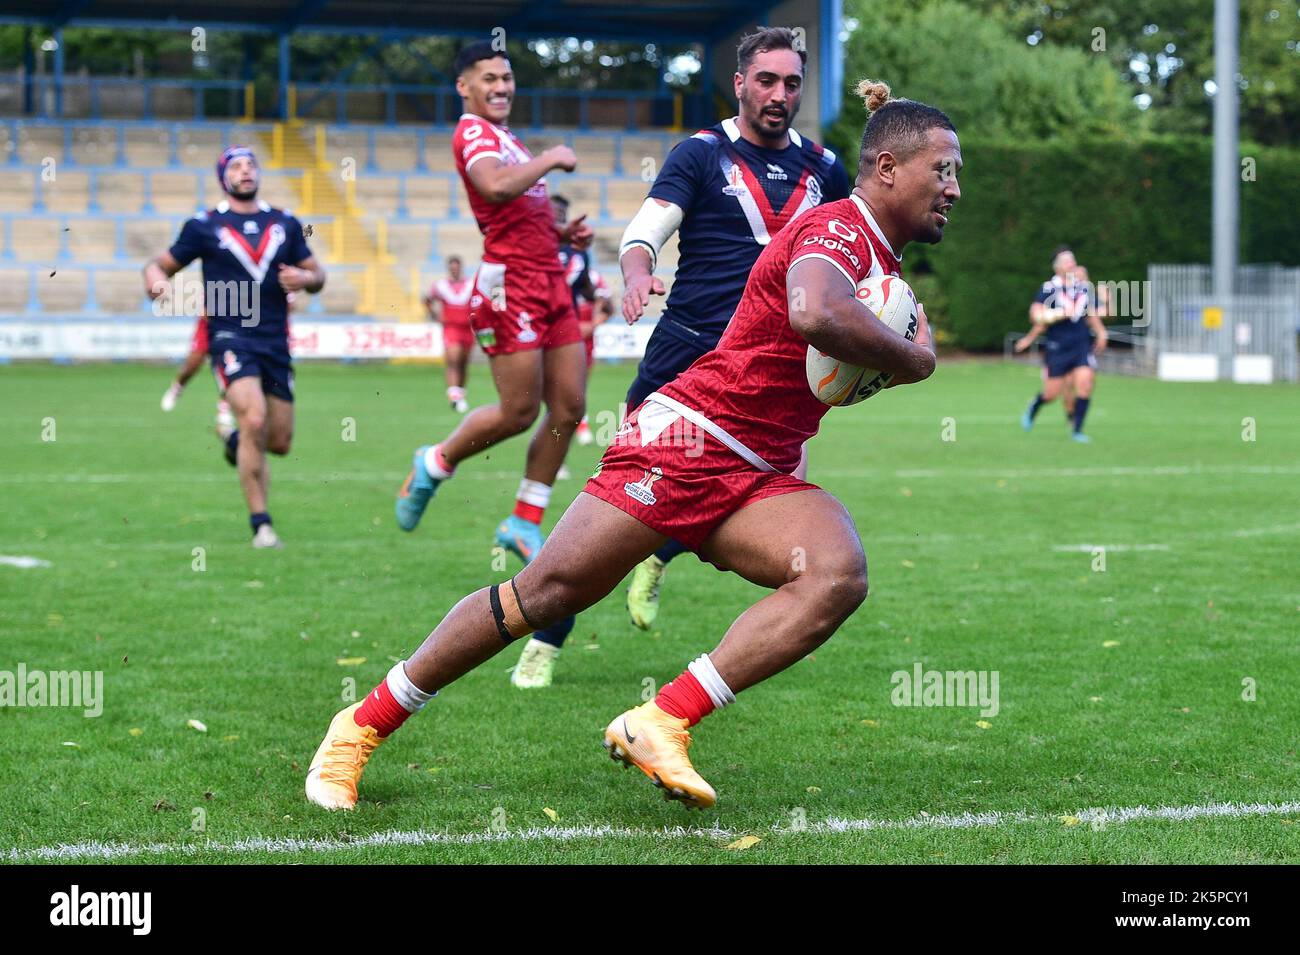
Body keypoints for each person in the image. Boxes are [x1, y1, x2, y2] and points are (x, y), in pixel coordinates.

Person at [305, 78, 958, 812]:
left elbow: (827, 366)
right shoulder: (839, 229)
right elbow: (812, 310)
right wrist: (917, 360)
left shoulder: (881, 264)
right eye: (943, 170)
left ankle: (662, 718)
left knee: (836, 572)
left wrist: (891, 364)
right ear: (888, 168)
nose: (954, 189)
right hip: (687, 439)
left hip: (758, 468)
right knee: (545, 593)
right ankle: (359, 726)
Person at [618, 26, 850, 633]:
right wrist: (637, 275)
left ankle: (664, 553)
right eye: (767, 80)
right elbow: (642, 234)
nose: (779, 93)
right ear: (741, 83)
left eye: (792, 83)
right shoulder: (699, 153)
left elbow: (855, 256)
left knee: (772, 504)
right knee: (613, 503)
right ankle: (549, 638)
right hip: (687, 352)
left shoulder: (825, 168)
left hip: (771, 368)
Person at [394, 40, 593, 575]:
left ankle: (524, 519)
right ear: (465, 87)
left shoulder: (507, 137)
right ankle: (435, 462)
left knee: (570, 408)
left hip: (550, 279)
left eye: (507, 77)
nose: (502, 86)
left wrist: (562, 232)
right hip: (509, 287)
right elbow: (494, 187)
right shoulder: (473, 133)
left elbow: (519, 210)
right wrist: (552, 156)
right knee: (518, 411)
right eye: (489, 78)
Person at [144, 145, 325, 548]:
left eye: (251, 164)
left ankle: (233, 442)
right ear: (223, 177)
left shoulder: (285, 223)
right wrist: (157, 284)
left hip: (275, 342)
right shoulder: (204, 225)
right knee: (255, 420)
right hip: (229, 337)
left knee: (278, 441)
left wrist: (304, 278)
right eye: (236, 166)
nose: (246, 171)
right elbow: (159, 265)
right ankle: (261, 524)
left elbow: (318, 273)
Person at [509, 194, 613, 688]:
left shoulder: (577, 255)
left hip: (574, 335)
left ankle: (657, 563)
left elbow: (594, 297)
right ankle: (546, 638)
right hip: (553, 335)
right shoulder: (536, 252)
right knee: (546, 408)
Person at [1015, 248, 1109, 442]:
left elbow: (1091, 314)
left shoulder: (1083, 288)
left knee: (1084, 385)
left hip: (1081, 344)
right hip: (1057, 347)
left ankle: (1077, 430)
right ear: (1057, 267)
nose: (1071, 263)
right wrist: (1055, 314)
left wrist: (1101, 333)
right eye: (1066, 260)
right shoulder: (1048, 288)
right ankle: (1034, 407)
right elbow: (1035, 315)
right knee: (1051, 394)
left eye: (1072, 259)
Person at [160, 313, 236, 434]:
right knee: (194, 362)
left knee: (231, 363)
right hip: (210, 321)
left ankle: (224, 408)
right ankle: (178, 387)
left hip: (235, 323)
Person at [424, 255, 474, 413]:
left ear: (461, 268)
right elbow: (427, 299)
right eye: (452, 267)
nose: (454, 270)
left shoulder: (470, 285)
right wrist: (434, 314)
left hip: (467, 328)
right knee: (453, 359)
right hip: (451, 328)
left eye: (456, 267)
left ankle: (460, 394)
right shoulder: (440, 286)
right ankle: (453, 395)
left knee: (464, 363)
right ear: (448, 269)